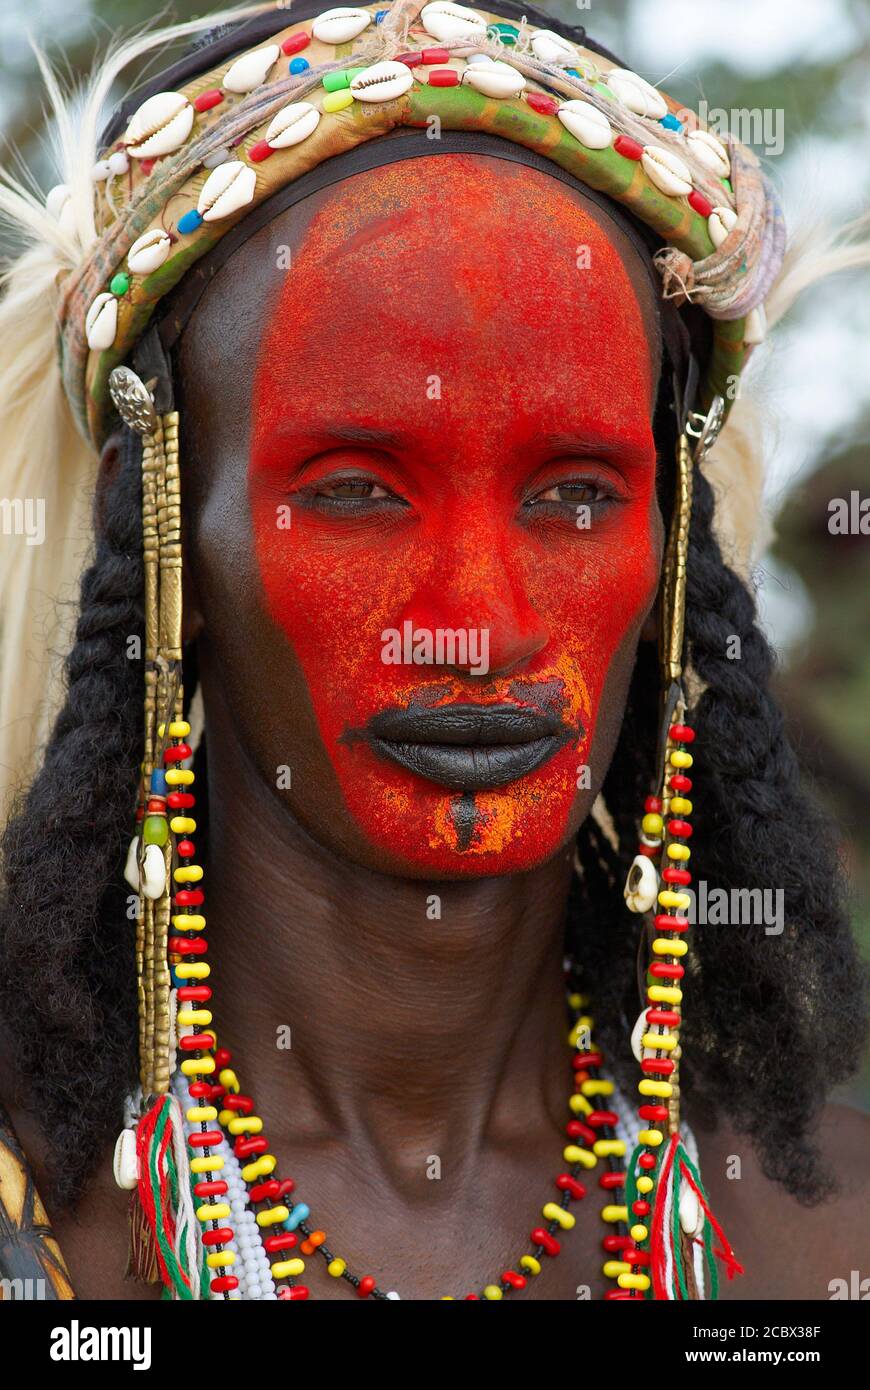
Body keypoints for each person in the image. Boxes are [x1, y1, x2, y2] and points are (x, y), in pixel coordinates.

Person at [0, 0, 867, 1303]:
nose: (475, 620)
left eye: (573, 493)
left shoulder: (829, 1236)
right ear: (163, 522)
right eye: (355, 489)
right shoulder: (41, 1222)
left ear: (668, 548)